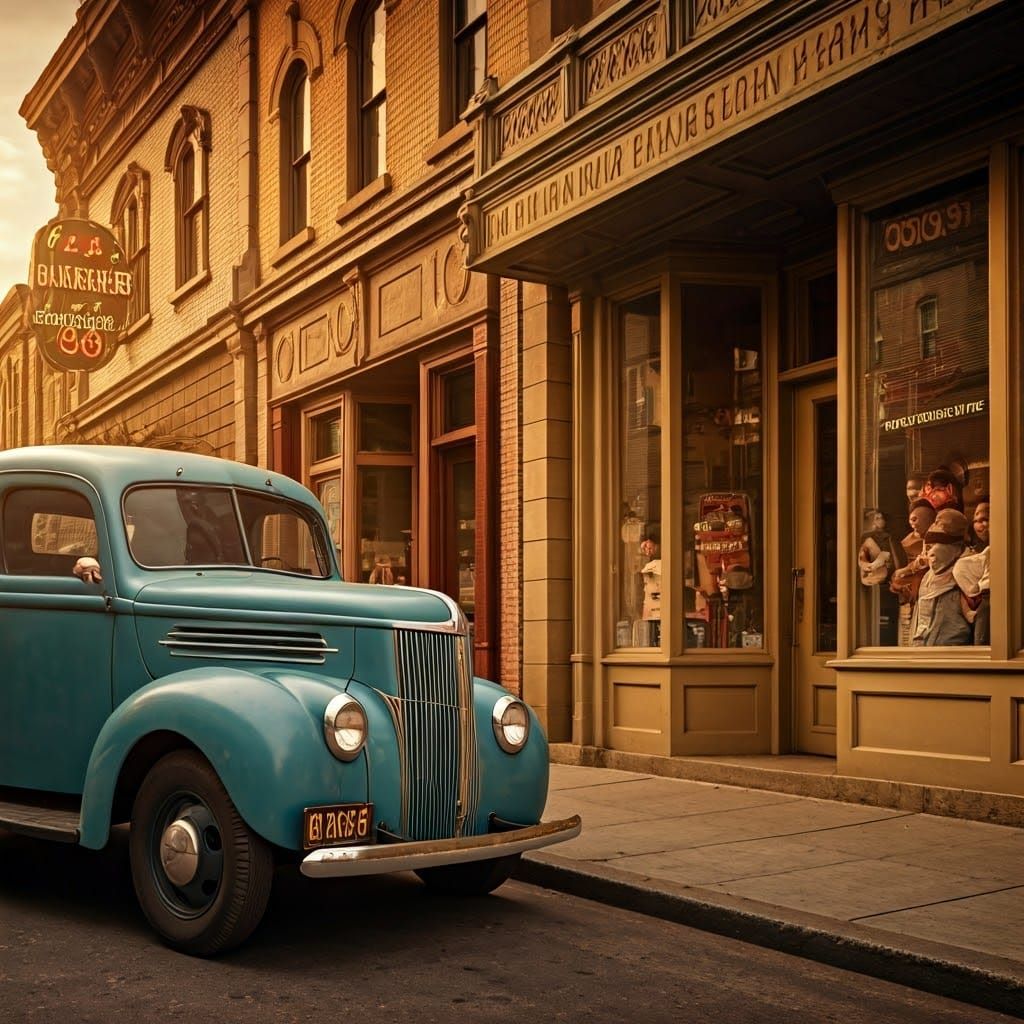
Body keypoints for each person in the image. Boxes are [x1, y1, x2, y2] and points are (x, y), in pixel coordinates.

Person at [909, 508, 971, 646]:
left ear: (954, 547)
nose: (929, 554)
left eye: (934, 546)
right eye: (928, 547)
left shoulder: (966, 575)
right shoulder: (926, 578)